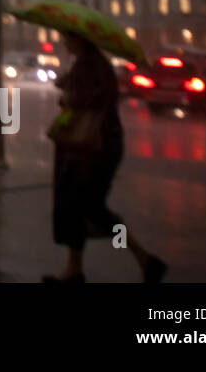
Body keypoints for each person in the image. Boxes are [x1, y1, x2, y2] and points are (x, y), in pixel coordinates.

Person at [44, 32, 167, 283]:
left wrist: (67, 91)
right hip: (86, 146)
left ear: (81, 40)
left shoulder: (92, 67)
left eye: (68, 38)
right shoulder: (88, 65)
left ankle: (145, 259)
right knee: (76, 207)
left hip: (93, 148)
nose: (64, 42)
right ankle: (74, 269)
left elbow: (87, 101)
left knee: (91, 208)